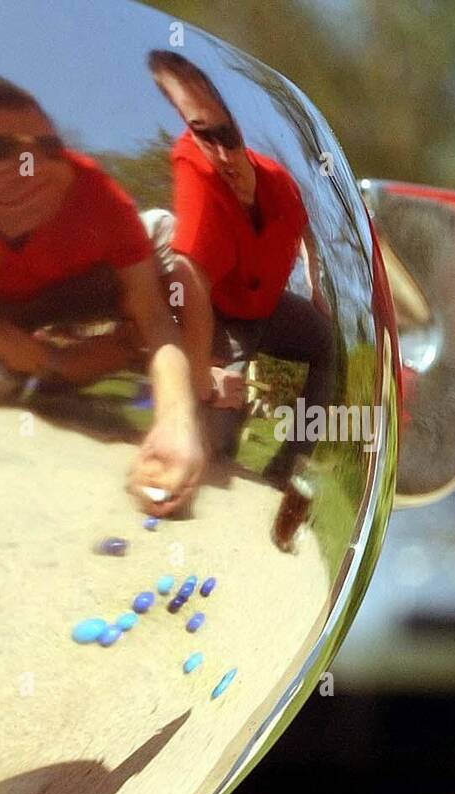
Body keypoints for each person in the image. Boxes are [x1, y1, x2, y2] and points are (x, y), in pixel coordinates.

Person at [0, 57, 202, 516]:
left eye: (46, 146)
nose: (29, 171)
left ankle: (193, 368)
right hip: (5, 306)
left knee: (162, 228)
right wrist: (58, 361)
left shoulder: (94, 190)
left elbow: (151, 311)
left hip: (88, 285)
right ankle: (61, 377)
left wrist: (175, 423)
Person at [146, 50, 337, 484]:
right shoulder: (194, 167)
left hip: (270, 309)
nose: (221, 155)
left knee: (326, 345)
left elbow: (308, 236)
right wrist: (203, 376)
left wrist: (316, 285)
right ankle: (222, 426)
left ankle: (290, 463)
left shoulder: (282, 187)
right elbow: (191, 273)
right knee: (217, 446)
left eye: (227, 136)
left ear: (240, 128)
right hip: (225, 318)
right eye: (202, 135)